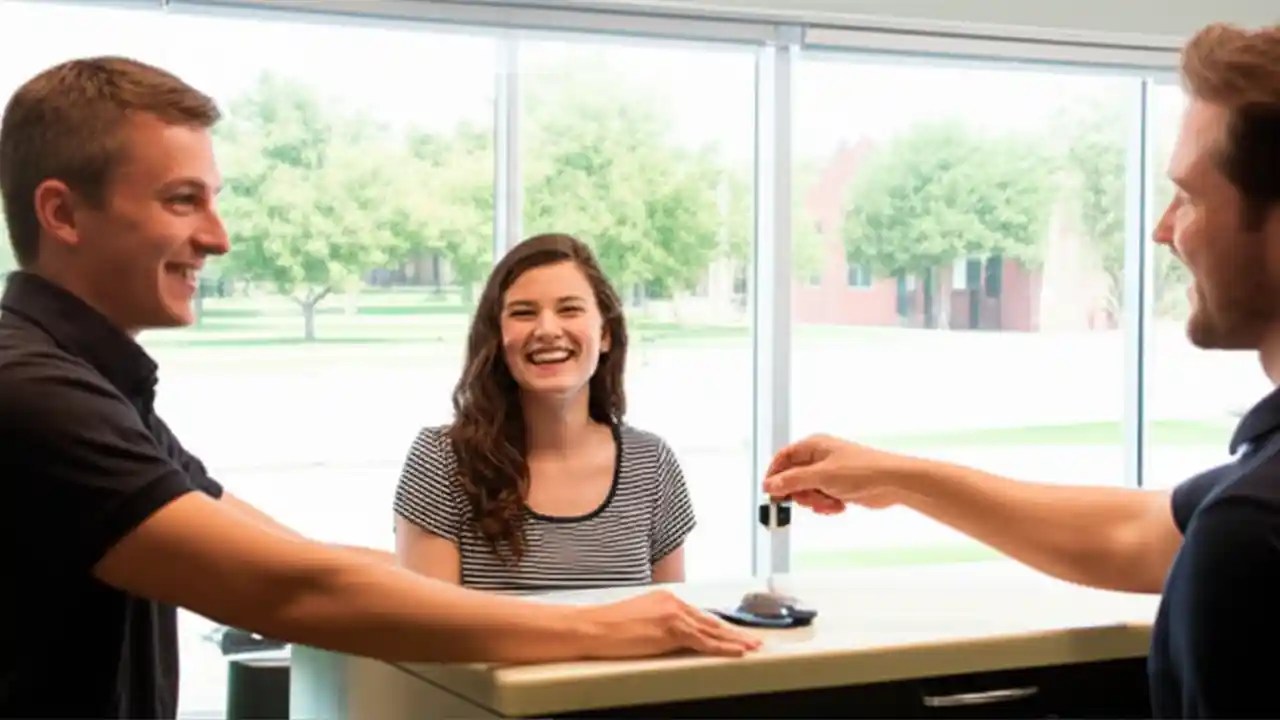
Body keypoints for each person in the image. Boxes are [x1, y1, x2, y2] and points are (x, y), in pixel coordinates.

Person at [0, 56, 758, 720]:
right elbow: (287, 591)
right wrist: (602, 629)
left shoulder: (97, 385)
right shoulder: (30, 392)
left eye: (214, 199)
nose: (219, 236)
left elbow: (298, 554)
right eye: (181, 200)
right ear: (63, 213)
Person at [761, 22, 1280, 719]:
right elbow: (1142, 532)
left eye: (1188, 196)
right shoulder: (1249, 506)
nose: (1163, 229)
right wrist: (898, 477)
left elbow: (1210, 535)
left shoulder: (1251, 533)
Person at [393, 233, 697, 591]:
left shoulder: (651, 464)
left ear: (605, 335)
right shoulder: (441, 461)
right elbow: (430, 633)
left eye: (570, 309)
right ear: (496, 338)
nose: (547, 330)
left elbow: (671, 627)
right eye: (523, 313)